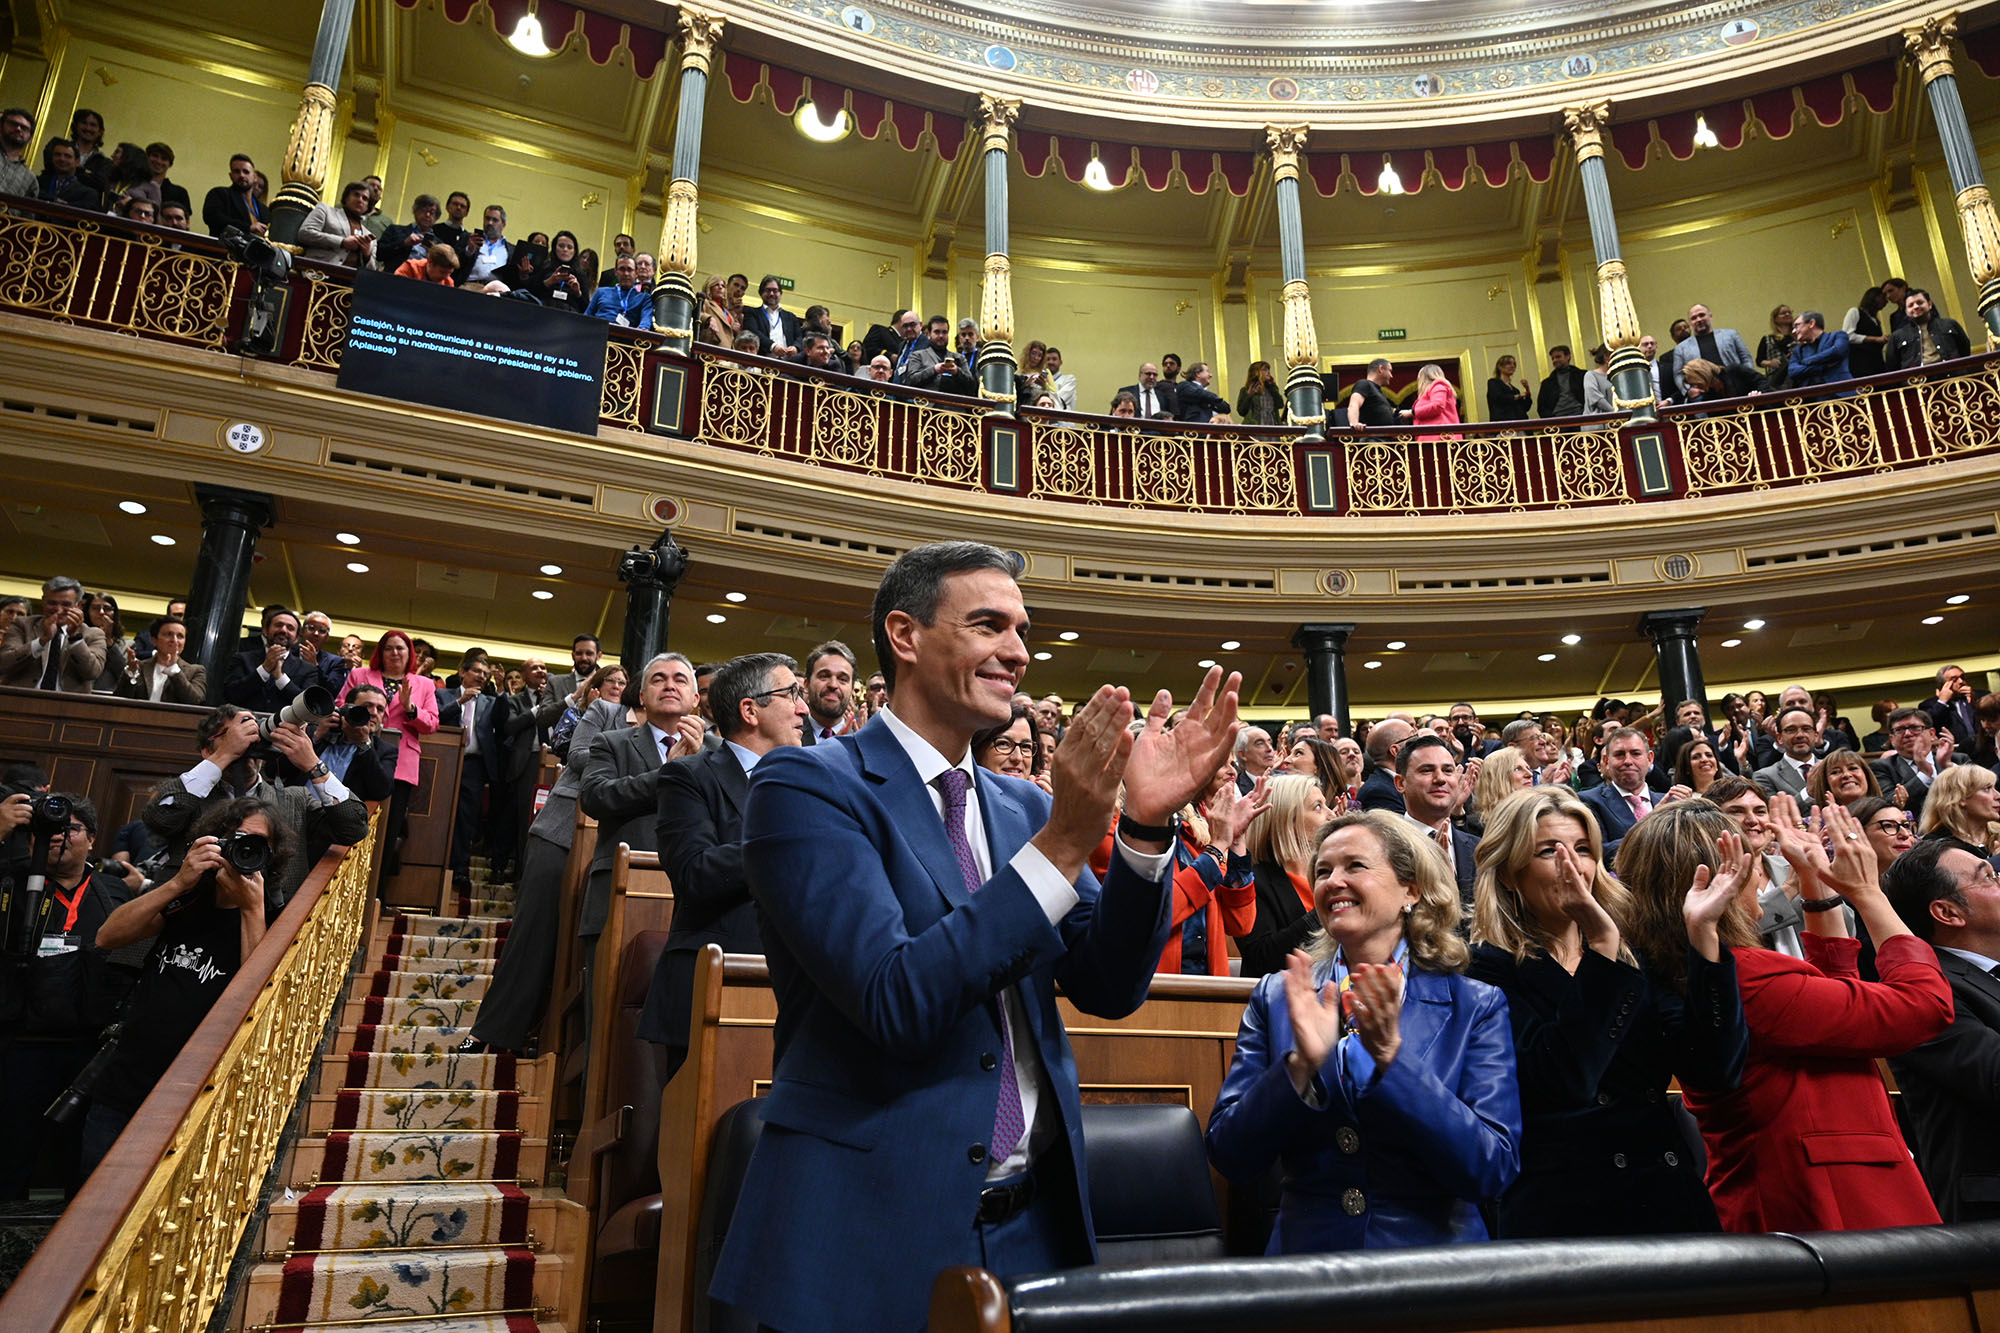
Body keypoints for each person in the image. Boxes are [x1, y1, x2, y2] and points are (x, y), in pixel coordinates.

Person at [711, 540, 1241, 1333]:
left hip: (1036, 1226)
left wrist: (1141, 830)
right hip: (867, 1231)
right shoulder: (806, 784)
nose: (1018, 652)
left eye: (1022, 630)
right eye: (989, 625)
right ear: (905, 635)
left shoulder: (1024, 806)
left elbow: (1108, 984)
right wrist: (1064, 842)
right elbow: (894, 998)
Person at [1617, 800, 1950, 1232]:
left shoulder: (1705, 972)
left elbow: (1836, 991)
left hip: (1814, 1191)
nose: (1763, 875)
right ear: (1724, 880)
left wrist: (1814, 880)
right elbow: (1925, 1006)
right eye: (1753, 863)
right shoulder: (1748, 978)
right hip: (1823, 1200)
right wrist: (1868, 893)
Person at [1207, 811, 1521, 1251]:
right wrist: (1299, 1068)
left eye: (1355, 866)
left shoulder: (1475, 1005)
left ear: (1411, 889)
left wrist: (1393, 1060)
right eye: (1322, 871)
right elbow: (1230, 1156)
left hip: (1432, 1266)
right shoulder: (1277, 996)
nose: (1333, 881)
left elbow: (1492, 1170)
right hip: (1308, 1262)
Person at [1469, 787, 1745, 1237]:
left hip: (1668, 1203)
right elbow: (1563, 1080)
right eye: (1548, 851)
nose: (1572, 865)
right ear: (1509, 874)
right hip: (1566, 1216)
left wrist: (1703, 935)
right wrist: (1601, 944)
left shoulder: (1632, 956)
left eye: (1582, 850)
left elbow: (1715, 1071)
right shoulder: (1485, 969)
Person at [82, 798, 296, 1175]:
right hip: (126, 1084)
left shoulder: (276, 920)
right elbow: (107, 936)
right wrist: (180, 881)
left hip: (196, 1097)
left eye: (257, 842)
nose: (244, 848)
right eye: (236, 838)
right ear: (215, 841)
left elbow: (259, 1001)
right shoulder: (187, 899)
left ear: (272, 856)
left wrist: (251, 909)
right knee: (90, 1194)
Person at [637, 652, 809, 1083]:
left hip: (807, 990)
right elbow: (694, 873)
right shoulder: (688, 777)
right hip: (716, 984)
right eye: (791, 694)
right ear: (750, 710)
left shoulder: (814, 781)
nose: (803, 708)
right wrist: (785, 839)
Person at [0, 795, 140, 1200]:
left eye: (72, 829)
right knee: (11, 1151)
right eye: (49, 831)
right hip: (22, 1044)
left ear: (92, 839)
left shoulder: (113, 891)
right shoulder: (12, 881)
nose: (60, 837)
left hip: (90, 1049)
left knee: (81, 1155)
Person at [1883, 838, 2000, 1222]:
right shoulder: (1928, 993)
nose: (1999, 882)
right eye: (1989, 877)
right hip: (1987, 1221)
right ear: (1948, 912)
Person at [334, 631, 439, 873]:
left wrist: (411, 708)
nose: (395, 653)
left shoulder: (423, 684)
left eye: (400, 648)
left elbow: (432, 724)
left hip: (401, 763)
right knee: (348, 819)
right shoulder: (360, 675)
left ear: (410, 654)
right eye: (389, 648)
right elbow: (341, 705)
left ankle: (377, 888)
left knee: (387, 833)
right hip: (357, 754)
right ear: (380, 652)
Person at [1150, 763, 1266, 977]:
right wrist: (1218, 847)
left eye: (1232, 763)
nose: (1232, 771)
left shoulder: (1197, 836)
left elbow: (1241, 924)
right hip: (1158, 985)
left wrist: (1236, 841)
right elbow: (1153, 916)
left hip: (1210, 983)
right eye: (1222, 763)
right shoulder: (1139, 834)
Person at [1236, 774, 1331, 979]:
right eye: (1318, 807)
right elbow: (1262, 958)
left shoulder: (1332, 874)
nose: (1331, 815)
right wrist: (1324, 910)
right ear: (1288, 820)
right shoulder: (1252, 882)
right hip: (1282, 993)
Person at [0, 575, 107, 692]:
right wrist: (42, 641)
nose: (58, 610)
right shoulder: (22, 625)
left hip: (69, 702)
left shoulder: (94, 634)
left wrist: (75, 638)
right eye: (52, 603)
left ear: (78, 605)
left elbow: (92, 672)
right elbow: (4, 663)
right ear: (43, 601)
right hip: (21, 699)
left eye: (66, 604)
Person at [222, 604, 320, 711]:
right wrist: (264, 669)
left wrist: (280, 678)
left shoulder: (308, 669)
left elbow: (307, 705)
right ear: (265, 630)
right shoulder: (242, 659)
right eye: (278, 625)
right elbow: (231, 695)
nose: (283, 630)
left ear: (296, 638)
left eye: (290, 628)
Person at [113, 615, 205, 703]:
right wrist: (131, 673)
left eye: (180, 636)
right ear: (154, 640)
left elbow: (195, 701)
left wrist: (174, 670)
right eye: (168, 634)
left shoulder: (196, 671)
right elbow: (119, 700)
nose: (174, 640)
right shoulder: (139, 667)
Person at [1917, 764, 1999, 854]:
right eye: (1987, 789)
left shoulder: (1997, 834)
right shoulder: (1935, 848)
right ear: (1960, 797)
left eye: (1994, 788)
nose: (1998, 795)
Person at [297, 181, 375, 268]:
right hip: (317, 271)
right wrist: (342, 242)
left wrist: (367, 255)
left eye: (365, 198)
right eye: (356, 195)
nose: (360, 200)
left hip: (350, 276)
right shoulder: (325, 210)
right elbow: (305, 233)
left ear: (368, 206)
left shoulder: (370, 239)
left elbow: (372, 270)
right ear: (346, 198)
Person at [1888, 289, 1971, 369]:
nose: (1916, 307)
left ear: (1930, 304)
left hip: (1953, 375)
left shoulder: (1949, 324)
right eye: (1911, 305)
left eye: (1920, 303)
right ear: (1906, 311)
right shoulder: (1897, 337)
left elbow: (1965, 350)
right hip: (1918, 378)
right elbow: (1892, 365)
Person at [973, 703, 1044, 786]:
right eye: (1004, 744)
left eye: (1026, 747)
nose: (1018, 758)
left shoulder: (1042, 793)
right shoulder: (963, 792)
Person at [1785, 311, 1852, 389]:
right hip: (1811, 393)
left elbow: (1837, 352)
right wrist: (1823, 366)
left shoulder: (1838, 336)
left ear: (1811, 323)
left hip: (1840, 390)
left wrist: (1807, 361)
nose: (1793, 331)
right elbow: (1793, 372)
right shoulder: (1798, 350)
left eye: (1797, 326)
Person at [1804, 748, 1885, 811]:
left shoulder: (1888, 815)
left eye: (1853, 768)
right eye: (1835, 772)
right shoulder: (1815, 823)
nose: (1846, 775)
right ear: (1826, 783)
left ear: (1866, 775)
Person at [584, 254, 652, 328]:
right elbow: (586, 318)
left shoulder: (644, 298)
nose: (626, 273)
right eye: (622, 269)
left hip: (625, 334)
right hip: (598, 330)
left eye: (629, 270)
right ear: (615, 272)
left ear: (636, 273)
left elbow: (645, 324)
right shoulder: (601, 292)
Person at [1843, 286, 1892, 378]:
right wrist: (1876, 339)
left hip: (1876, 362)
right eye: (1883, 298)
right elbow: (1848, 336)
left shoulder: (1875, 320)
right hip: (1860, 363)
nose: (1886, 301)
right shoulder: (1855, 312)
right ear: (1874, 297)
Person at [1346, 358, 1406, 429]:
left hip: (1383, 435)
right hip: (1371, 435)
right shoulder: (1364, 384)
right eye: (1390, 371)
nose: (1391, 376)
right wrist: (1354, 424)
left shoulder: (1379, 392)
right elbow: (1354, 405)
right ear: (1381, 369)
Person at [1536, 345, 1586, 418]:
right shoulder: (1547, 383)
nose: (1555, 360)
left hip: (1580, 413)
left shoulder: (1582, 376)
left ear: (1568, 357)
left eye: (1558, 357)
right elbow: (1541, 407)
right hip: (1557, 417)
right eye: (1553, 358)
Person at [1411, 363, 1460, 435]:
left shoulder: (1438, 387)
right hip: (1437, 435)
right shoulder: (1436, 388)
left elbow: (1438, 406)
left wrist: (1413, 413)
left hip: (1440, 436)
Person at [1486, 354, 1531, 422]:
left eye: (1514, 364)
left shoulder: (1515, 390)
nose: (1512, 366)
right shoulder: (1493, 383)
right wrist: (1518, 396)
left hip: (1519, 423)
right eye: (1508, 363)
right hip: (1503, 424)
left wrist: (1527, 389)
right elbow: (1499, 398)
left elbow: (1525, 407)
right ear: (1500, 367)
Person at [1237, 360, 1284, 425]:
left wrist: (1273, 386)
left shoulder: (1271, 389)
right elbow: (1241, 411)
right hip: (1255, 427)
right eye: (1265, 370)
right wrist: (1249, 395)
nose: (1268, 372)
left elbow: (1280, 405)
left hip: (1272, 426)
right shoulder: (1245, 390)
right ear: (1256, 372)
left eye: (1268, 370)